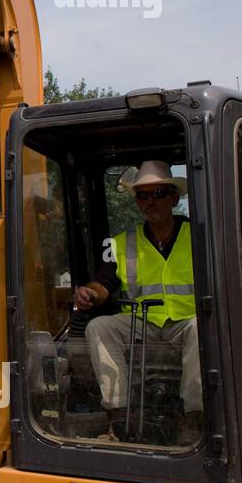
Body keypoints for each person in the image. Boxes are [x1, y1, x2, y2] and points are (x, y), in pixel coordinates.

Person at [73, 160, 201, 443]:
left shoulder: (200, 236)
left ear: (174, 198)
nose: (150, 202)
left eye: (158, 194)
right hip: (143, 324)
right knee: (99, 327)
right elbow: (104, 283)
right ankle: (119, 416)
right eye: (143, 195)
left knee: (201, 329)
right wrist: (90, 293)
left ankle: (195, 418)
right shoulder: (120, 243)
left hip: (188, 321)